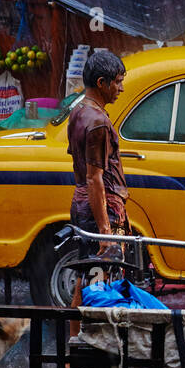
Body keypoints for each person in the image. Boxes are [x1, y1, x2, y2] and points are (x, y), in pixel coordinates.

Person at [67, 49, 129, 298]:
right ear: (102, 83)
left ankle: (74, 336)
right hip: (100, 209)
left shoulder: (79, 111)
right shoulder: (98, 122)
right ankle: (91, 335)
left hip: (84, 203)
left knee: (87, 277)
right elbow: (95, 179)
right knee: (100, 281)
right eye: (118, 82)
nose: (121, 88)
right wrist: (106, 233)